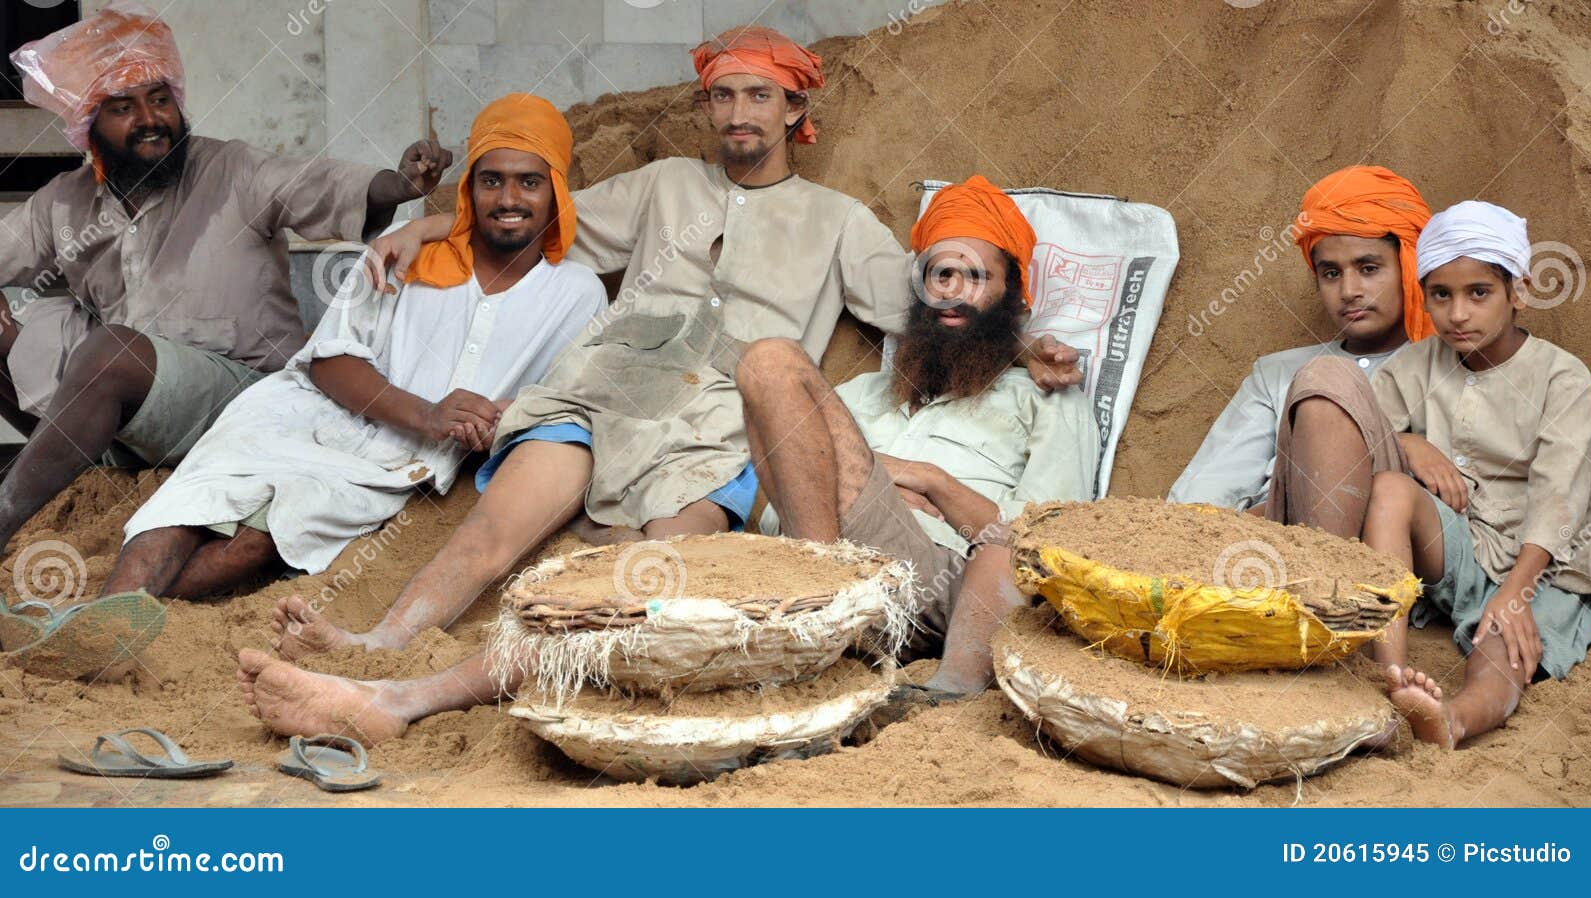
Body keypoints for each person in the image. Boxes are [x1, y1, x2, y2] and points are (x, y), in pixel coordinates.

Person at [266, 25, 1080, 663]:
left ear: (795, 113)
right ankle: (384, 642)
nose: (737, 114)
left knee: (660, 560)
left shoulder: (837, 221)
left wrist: (1025, 345)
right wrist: (429, 224)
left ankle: (564, 668)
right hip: (607, 385)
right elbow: (545, 217)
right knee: (494, 530)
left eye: (758, 96)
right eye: (721, 96)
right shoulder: (661, 187)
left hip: (721, 420)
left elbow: (937, 302)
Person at [99, 94, 605, 600]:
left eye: (529, 182)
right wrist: (429, 414)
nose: (508, 198)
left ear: (556, 192)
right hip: (304, 415)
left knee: (266, 536)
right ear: (469, 190)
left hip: (398, 464)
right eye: (491, 180)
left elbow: (563, 400)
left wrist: (495, 418)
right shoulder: (405, 255)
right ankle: (105, 615)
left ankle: (112, 615)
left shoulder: (578, 294)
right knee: (196, 497)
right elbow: (329, 360)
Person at [0, 1, 451, 558]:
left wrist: (399, 184)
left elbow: (320, 186)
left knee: (113, 352)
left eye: (160, 100)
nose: (150, 119)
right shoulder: (63, 203)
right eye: (123, 106)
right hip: (135, 408)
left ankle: (4, 516)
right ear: (88, 125)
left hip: (246, 397)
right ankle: (72, 476)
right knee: (80, 347)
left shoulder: (233, 170)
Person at [740, 176, 1098, 698]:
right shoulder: (859, 393)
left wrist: (931, 482)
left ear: (1011, 296)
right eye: (940, 274)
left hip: (941, 584)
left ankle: (835, 624)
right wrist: (878, 488)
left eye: (975, 276)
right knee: (767, 362)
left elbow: (1042, 546)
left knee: (1005, 548)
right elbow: (779, 509)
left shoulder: (1045, 398)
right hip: (824, 557)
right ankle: (822, 598)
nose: (952, 290)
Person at [1360, 201, 1591, 749]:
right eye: (1440, 295)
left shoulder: (1562, 378)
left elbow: (1561, 498)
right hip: (1461, 545)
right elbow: (1361, 435)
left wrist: (1514, 593)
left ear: (1517, 290)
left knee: (1504, 646)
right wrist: (1406, 442)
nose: (1458, 314)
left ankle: (1452, 720)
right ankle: (1391, 678)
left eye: (1478, 293)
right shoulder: (1412, 368)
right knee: (1391, 488)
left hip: (1541, 561)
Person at [1169, 166, 1430, 537]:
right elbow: (1203, 496)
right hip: (1270, 551)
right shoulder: (1276, 373)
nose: (1349, 290)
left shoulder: (1451, 367)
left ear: (1409, 266)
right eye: (1331, 273)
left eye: (1368, 268)